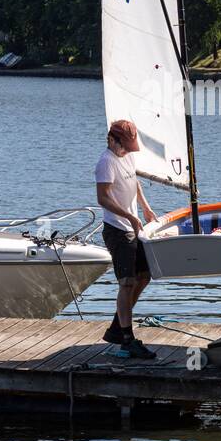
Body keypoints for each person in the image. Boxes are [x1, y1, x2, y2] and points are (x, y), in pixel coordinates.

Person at [95, 119, 159, 359]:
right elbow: (103, 198)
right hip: (116, 230)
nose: (126, 151)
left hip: (133, 226)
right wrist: (129, 216)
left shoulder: (128, 156)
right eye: (123, 147)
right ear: (112, 140)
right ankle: (126, 339)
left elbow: (134, 181)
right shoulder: (106, 162)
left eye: (129, 148)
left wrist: (145, 207)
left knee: (144, 275)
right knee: (126, 282)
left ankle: (115, 328)